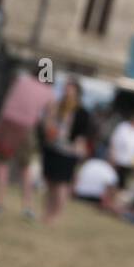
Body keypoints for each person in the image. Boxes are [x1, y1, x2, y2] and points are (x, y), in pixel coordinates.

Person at [37, 78, 91, 225]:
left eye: (70, 89)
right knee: (50, 183)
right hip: (52, 147)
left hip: (68, 152)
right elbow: (46, 124)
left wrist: (79, 152)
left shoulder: (82, 112)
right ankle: (46, 212)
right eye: (65, 88)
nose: (66, 91)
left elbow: (82, 136)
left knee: (61, 184)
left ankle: (55, 215)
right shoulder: (56, 106)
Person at [108, 110, 134, 188]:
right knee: (114, 176)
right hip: (118, 157)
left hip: (129, 160)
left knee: (124, 178)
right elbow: (114, 141)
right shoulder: (123, 127)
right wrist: (112, 154)